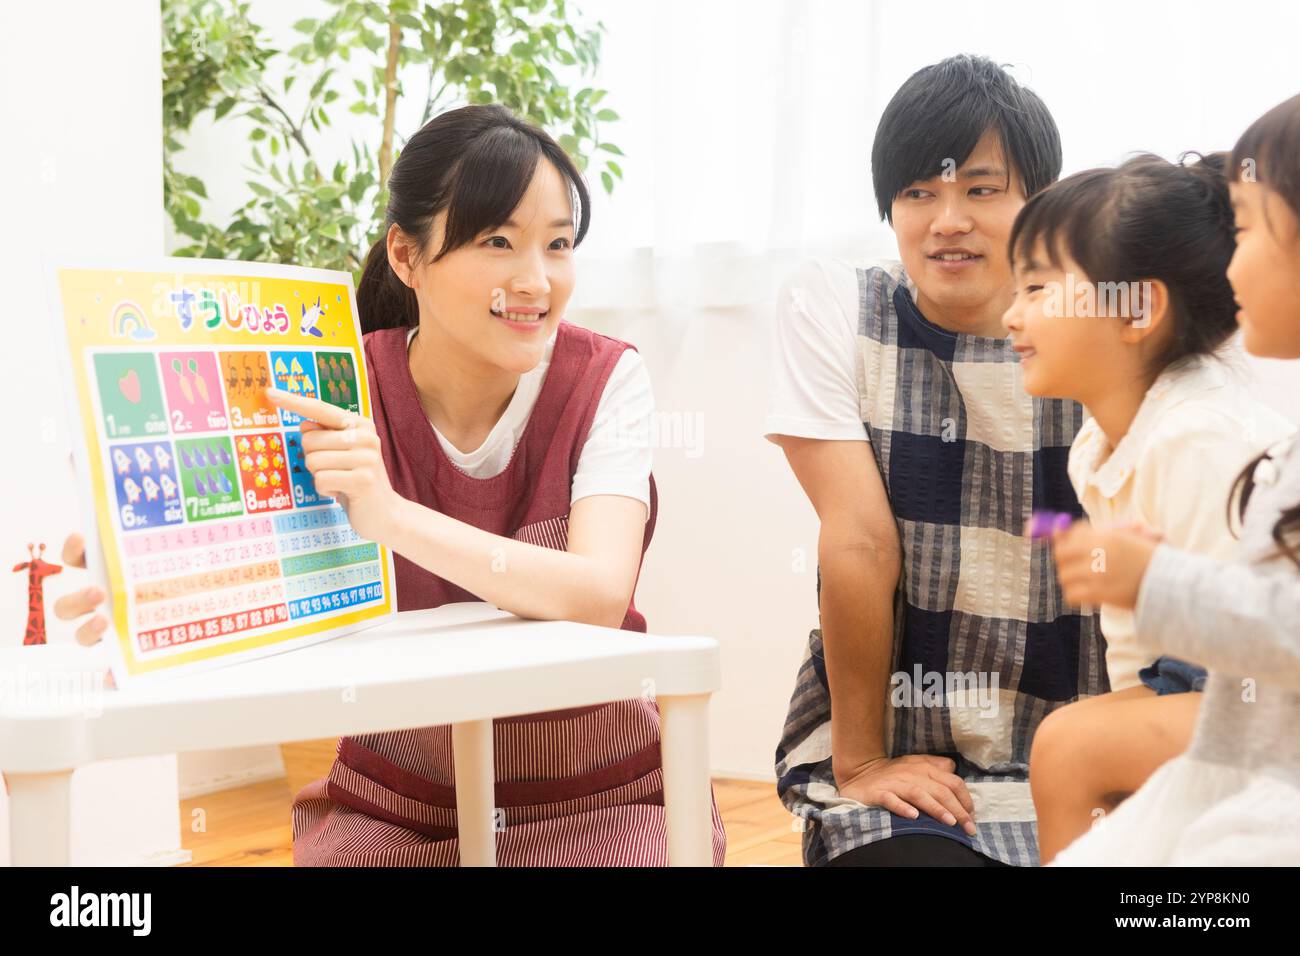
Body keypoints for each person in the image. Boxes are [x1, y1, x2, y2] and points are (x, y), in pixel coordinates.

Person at [59, 103, 727, 867]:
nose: (536, 279)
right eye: (498, 241)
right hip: (398, 808)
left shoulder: (607, 379)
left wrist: (392, 517)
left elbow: (597, 594)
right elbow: (267, 580)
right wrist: (148, 575)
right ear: (406, 258)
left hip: (605, 801)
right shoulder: (335, 386)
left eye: (558, 244)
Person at [768, 54, 1102, 867]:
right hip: (905, 752)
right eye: (919, 192)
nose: (946, 219)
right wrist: (862, 762)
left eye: (981, 190)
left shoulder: (1096, 323)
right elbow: (859, 543)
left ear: (1039, 204)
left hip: (1084, 740)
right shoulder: (838, 307)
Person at [1001, 151, 1293, 862]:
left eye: (1039, 288)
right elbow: (1135, 655)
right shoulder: (1098, 444)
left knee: (1070, 744)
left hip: (1264, 694)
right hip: (1201, 685)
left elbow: (1247, 644)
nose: (1011, 315)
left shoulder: (1198, 438)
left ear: (1138, 309)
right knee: (1083, 732)